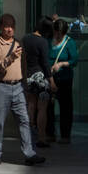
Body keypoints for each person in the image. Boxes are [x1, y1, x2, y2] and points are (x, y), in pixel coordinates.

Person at [0, 14, 44, 166]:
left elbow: (23, 67)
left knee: (24, 120)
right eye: (6, 26)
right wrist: (10, 58)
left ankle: (29, 153)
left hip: (18, 87)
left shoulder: (18, 44)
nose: (9, 29)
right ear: (0, 27)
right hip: (1, 87)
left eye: (12, 26)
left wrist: (24, 86)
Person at [22, 16, 55, 146]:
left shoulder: (25, 38)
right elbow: (45, 64)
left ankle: (29, 136)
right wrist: (52, 81)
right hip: (40, 77)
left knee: (31, 106)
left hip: (28, 77)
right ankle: (42, 137)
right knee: (42, 108)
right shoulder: (43, 42)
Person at [45, 17, 79, 143]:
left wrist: (62, 64)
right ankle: (50, 133)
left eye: (61, 34)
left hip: (65, 79)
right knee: (48, 107)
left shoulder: (69, 42)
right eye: (56, 33)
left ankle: (65, 135)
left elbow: (74, 60)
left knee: (66, 107)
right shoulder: (48, 41)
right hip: (50, 78)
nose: (58, 36)